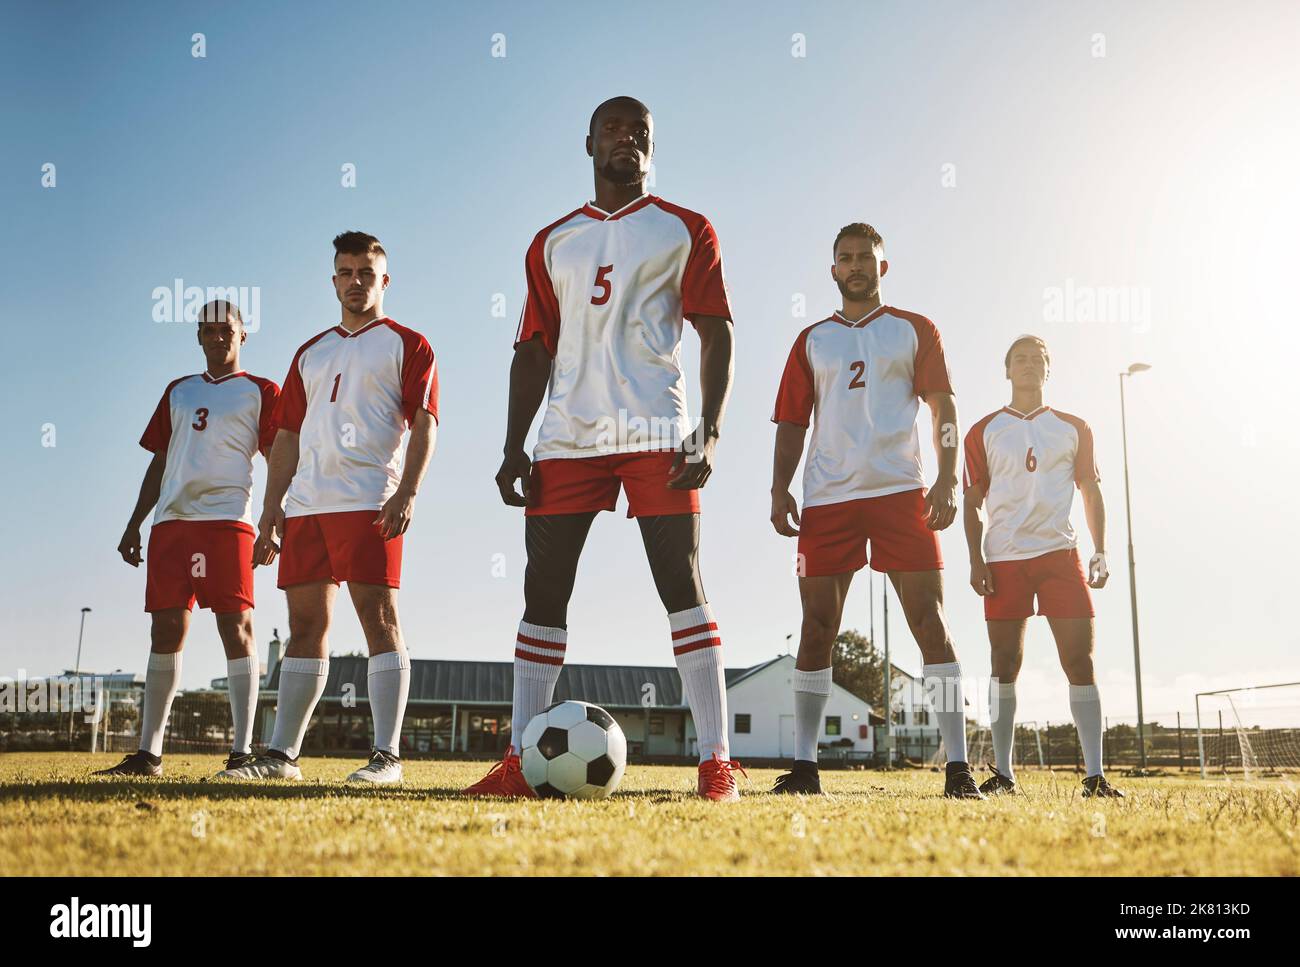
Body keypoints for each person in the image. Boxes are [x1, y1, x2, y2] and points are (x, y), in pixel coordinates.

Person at [464, 96, 744, 800]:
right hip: (567, 437)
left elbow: (718, 332)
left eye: (642, 132)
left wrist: (709, 429)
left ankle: (716, 761)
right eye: (616, 130)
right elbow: (532, 352)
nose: (630, 139)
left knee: (681, 582)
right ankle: (522, 762)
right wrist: (511, 445)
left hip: (656, 431)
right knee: (543, 592)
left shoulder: (686, 229)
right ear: (589, 142)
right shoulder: (553, 241)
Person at [769, 223, 982, 799]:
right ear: (832, 270)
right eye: (846, 258)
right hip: (828, 499)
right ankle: (806, 768)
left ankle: (959, 769)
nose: (856, 265)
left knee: (930, 624)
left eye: (866, 256)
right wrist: (778, 488)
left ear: (883, 266)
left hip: (900, 492)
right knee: (817, 629)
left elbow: (943, 406)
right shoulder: (812, 340)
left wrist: (944, 479)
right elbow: (791, 422)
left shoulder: (915, 330)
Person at [217, 232, 438, 783]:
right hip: (308, 506)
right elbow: (287, 434)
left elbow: (426, 422)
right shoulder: (310, 352)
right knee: (305, 626)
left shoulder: (408, 344)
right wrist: (272, 508)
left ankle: (387, 758)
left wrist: (407, 492)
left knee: (378, 622)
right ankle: (281, 757)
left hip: (368, 501)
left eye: (367, 272)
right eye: (346, 271)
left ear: (384, 281)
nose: (356, 281)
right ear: (333, 280)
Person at [96, 300, 277, 777]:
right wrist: (134, 522)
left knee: (236, 629)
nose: (218, 338)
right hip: (171, 525)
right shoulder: (178, 391)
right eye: (208, 331)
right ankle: (148, 753)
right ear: (199, 337)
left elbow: (280, 460)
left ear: (244, 335)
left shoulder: (261, 391)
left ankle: (241, 751)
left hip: (228, 523)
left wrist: (272, 524)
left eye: (227, 330)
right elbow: (159, 461)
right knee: (166, 631)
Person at [962, 335, 1122, 797]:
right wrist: (975, 560)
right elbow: (972, 502)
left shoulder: (1074, 427)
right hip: (1005, 559)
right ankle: (1004, 775)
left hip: (1059, 556)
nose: (1029, 365)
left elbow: (1091, 491)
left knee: (1080, 662)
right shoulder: (984, 430)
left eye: (1038, 359)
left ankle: (1095, 775)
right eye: (1020, 359)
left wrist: (1101, 549)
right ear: (1006, 369)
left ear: (1048, 370)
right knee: (1004, 663)